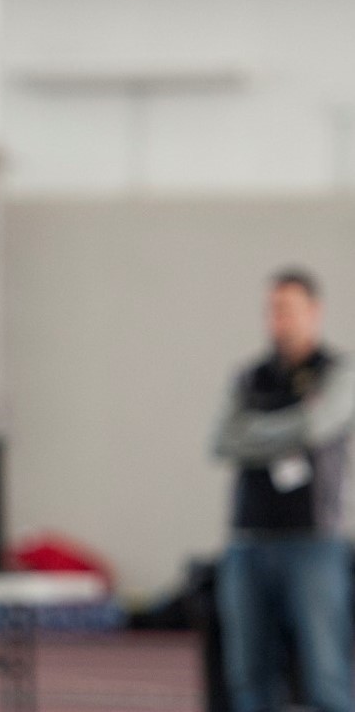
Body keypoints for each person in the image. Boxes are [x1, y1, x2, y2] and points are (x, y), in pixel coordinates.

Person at [212, 268, 355, 712]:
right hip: (249, 542)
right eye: (272, 310)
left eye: (288, 310)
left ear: (314, 312)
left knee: (326, 677)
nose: (279, 320)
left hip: (314, 543)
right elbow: (223, 441)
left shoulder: (337, 372)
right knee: (249, 679)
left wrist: (256, 433)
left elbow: (317, 428)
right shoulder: (250, 377)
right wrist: (289, 428)